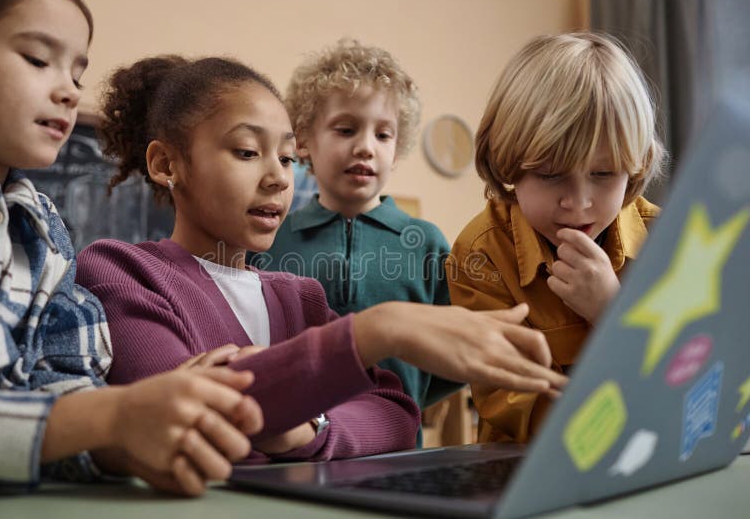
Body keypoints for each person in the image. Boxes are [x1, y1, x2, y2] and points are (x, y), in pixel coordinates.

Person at [75, 54, 567, 464]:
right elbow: (189, 417)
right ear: (166, 165)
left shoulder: (298, 296)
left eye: (286, 158)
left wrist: (309, 427)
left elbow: (397, 413)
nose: (278, 178)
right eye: (247, 152)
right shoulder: (121, 271)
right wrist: (376, 332)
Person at [0, 0, 264, 497]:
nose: (72, 92)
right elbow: (82, 413)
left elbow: (65, 385)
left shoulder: (44, 228)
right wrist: (109, 418)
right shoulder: (121, 267)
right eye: (37, 59)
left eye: (78, 74)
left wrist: (121, 441)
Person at [447, 32, 665, 444]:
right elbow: (513, 405)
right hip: (523, 478)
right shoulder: (480, 254)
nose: (579, 203)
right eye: (550, 175)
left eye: (603, 174)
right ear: (506, 165)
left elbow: (690, 385)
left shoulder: (665, 242)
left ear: (636, 168)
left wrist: (611, 314)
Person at [250, 40, 459, 443]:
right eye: (346, 129)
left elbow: (455, 355)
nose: (365, 146)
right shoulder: (271, 241)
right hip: (293, 452)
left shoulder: (427, 244)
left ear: (397, 150)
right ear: (304, 142)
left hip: (396, 453)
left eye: (383, 134)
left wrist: (409, 397)